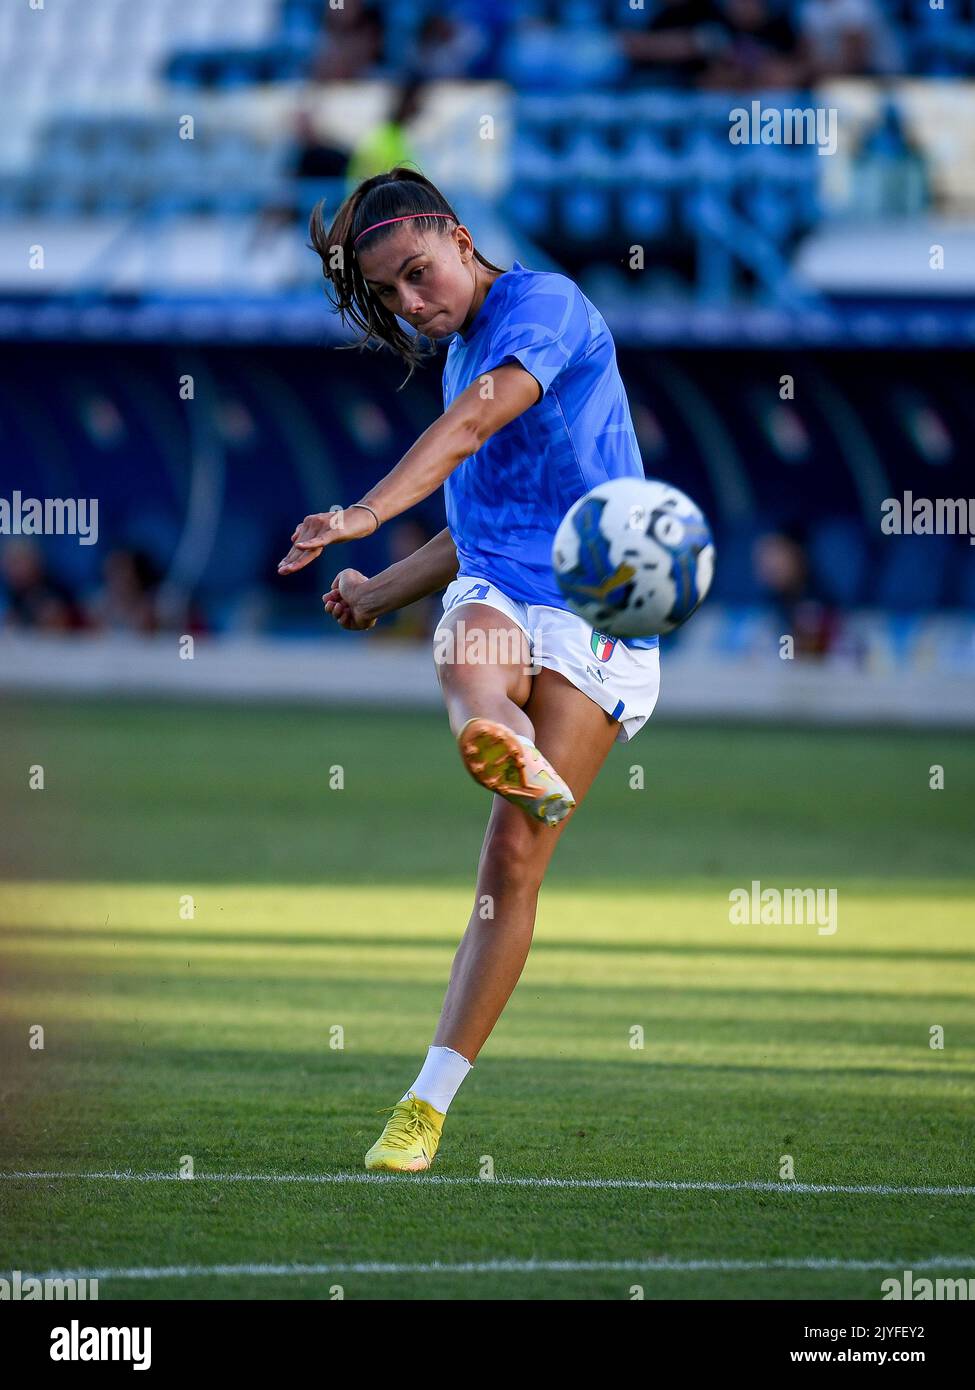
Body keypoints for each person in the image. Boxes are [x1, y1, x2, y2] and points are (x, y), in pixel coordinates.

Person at [277, 167, 662, 1172]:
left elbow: (470, 430)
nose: (412, 303)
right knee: (470, 644)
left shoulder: (546, 307)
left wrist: (362, 511)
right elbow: (475, 527)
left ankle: (430, 1101)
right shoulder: (456, 357)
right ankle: (501, 737)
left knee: (512, 868)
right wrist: (377, 588)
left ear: (455, 234)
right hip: (503, 588)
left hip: (599, 599)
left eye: (416, 274)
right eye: (391, 295)